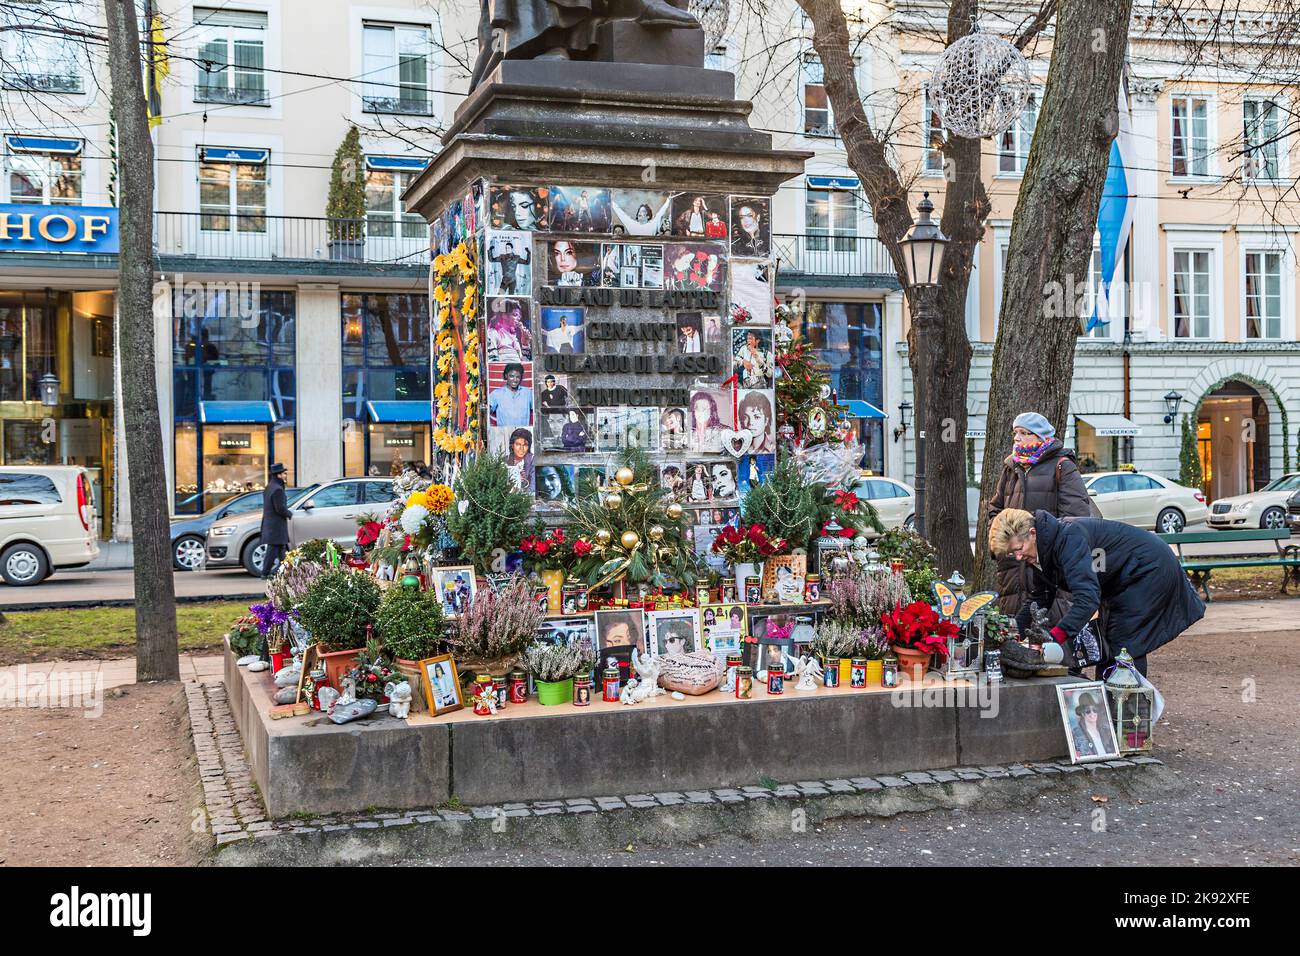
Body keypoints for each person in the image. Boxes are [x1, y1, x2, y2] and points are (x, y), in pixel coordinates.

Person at [989, 508, 1206, 677]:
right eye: (1012, 553)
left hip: (1149, 568)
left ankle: (1129, 719)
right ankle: (1108, 708)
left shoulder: (1068, 539)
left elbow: (1088, 598)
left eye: (1018, 549)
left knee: (1125, 643)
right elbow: (1040, 596)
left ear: (1032, 534)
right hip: (1125, 576)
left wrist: (1055, 636)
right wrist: (1014, 631)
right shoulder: (1041, 551)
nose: (1017, 557)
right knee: (1111, 641)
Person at [985, 412, 1095, 620]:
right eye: (1015, 433)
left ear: (1040, 437)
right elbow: (995, 509)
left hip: (1049, 564)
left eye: (1024, 433)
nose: (1017, 438)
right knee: (1015, 630)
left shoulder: (1062, 466)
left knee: (1050, 631)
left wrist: (1045, 547)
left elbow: (1076, 518)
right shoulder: (1011, 467)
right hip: (1012, 568)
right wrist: (1005, 539)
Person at [259, 462, 291, 578]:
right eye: (284, 473)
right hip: (276, 525)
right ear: (278, 475)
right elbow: (280, 508)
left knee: (281, 549)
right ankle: (265, 573)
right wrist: (289, 514)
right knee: (273, 549)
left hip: (271, 524)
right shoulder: (277, 489)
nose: (285, 475)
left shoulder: (269, 487)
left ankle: (286, 572)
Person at [1070, 691, 1118, 758]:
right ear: (1083, 714)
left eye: (1095, 710)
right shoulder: (1076, 734)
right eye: (1088, 711)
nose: (1092, 713)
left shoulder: (1106, 730)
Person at [488, 362, 532, 427]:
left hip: (523, 433)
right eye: (511, 376)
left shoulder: (528, 393)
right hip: (503, 433)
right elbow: (485, 412)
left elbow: (538, 410)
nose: (515, 380)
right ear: (506, 376)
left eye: (518, 377)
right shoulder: (496, 394)